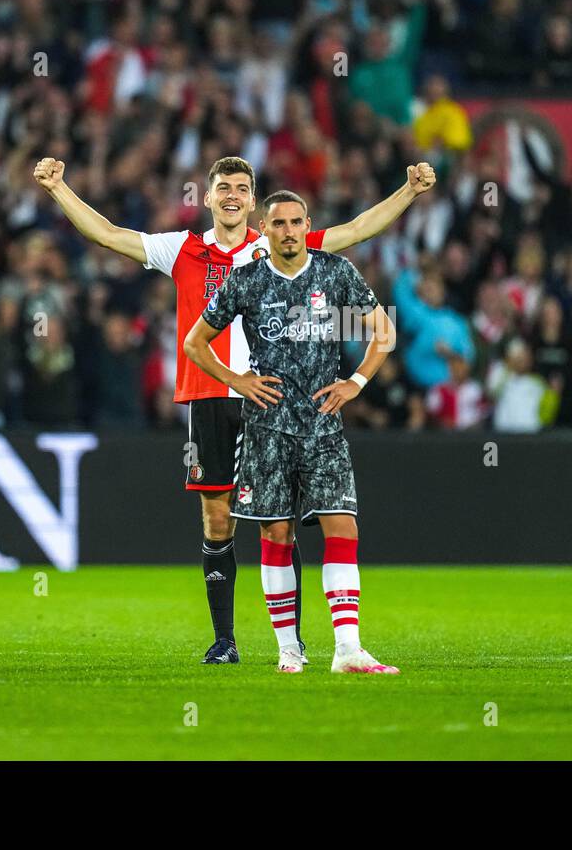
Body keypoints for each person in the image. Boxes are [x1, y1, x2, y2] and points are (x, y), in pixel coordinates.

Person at [33, 154, 435, 665]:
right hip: (209, 395)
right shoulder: (181, 248)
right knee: (217, 518)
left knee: (278, 519)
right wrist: (59, 189)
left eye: (242, 188)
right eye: (223, 187)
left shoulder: (273, 245)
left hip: (272, 400)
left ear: (252, 200)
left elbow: (355, 231)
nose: (232, 195)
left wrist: (408, 192)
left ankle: (294, 644)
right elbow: (109, 234)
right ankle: (226, 641)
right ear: (207, 197)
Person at [184, 190, 400, 674]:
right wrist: (237, 381)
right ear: (265, 227)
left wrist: (355, 381)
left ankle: (347, 649)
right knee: (277, 535)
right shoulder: (247, 282)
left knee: (342, 526)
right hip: (266, 427)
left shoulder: (335, 273)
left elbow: (383, 333)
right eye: (278, 223)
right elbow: (194, 342)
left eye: (295, 222)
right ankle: (289, 651)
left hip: (324, 425)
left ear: (308, 225)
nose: (287, 231)